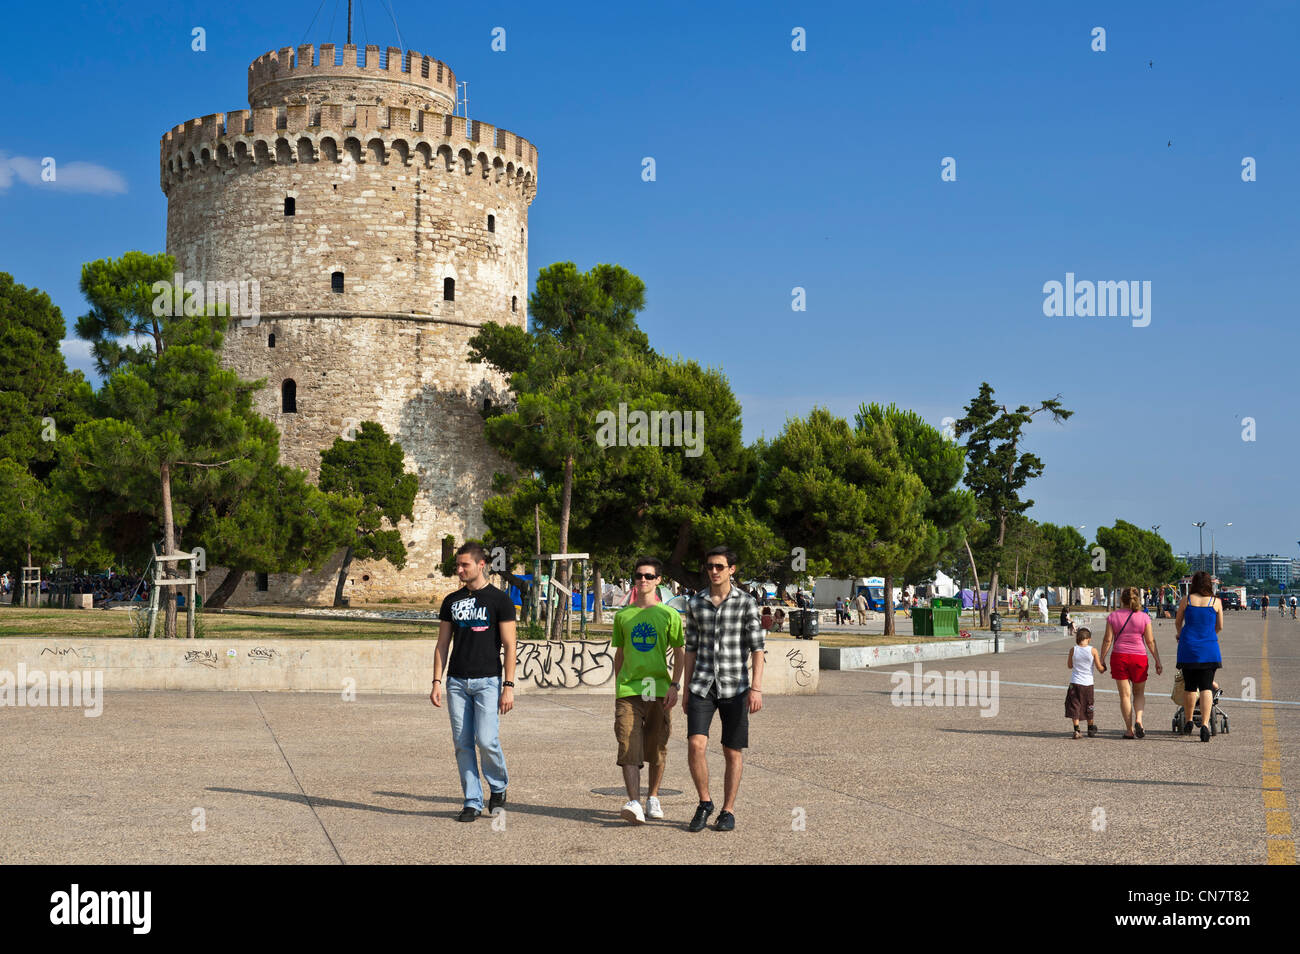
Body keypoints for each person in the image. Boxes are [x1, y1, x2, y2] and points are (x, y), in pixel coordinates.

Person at [430, 543, 518, 822]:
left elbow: (510, 645)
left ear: (481, 564)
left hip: (488, 682)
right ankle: (471, 800)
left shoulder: (499, 600)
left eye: (464, 565)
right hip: (456, 682)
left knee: (487, 740)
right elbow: (442, 644)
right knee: (462, 743)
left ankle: (499, 786)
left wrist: (509, 686)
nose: (459, 570)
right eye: (457, 565)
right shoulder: (451, 601)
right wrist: (436, 681)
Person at [682, 545, 764, 832]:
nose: (713, 571)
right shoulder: (695, 603)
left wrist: (756, 688)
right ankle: (705, 802)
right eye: (709, 566)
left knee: (732, 751)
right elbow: (690, 648)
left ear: (732, 569)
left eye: (719, 566)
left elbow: (757, 648)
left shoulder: (746, 603)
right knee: (696, 744)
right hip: (702, 685)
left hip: (736, 686)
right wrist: (685, 689)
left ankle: (727, 811)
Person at [611, 557, 685, 824]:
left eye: (649, 576)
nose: (643, 580)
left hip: (658, 690)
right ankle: (634, 801)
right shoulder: (623, 615)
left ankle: (653, 796)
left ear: (658, 580)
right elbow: (619, 653)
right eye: (639, 576)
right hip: (629, 691)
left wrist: (675, 685)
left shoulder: (669, 615)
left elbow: (680, 652)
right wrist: (619, 686)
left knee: (657, 746)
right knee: (627, 745)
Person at [1099, 586, 1163, 739]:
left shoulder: (1113, 616)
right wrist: (1157, 661)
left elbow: (1108, 640)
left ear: (1122, 599)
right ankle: (1139, 720)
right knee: (1139, 693)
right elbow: (1150, 641)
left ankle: (1129, 730)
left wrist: (1101, 659)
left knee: (1125, 696)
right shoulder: (1144, 617)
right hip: (1139, 657)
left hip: (1119, 657)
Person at [1175, 572, 1223, 742]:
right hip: (1209, 648)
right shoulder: (1216, 601)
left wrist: (1181, 634)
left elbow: (1178, 621)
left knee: (1189, 687)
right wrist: (1209, 634)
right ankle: (1204, 725)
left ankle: (1188, 720)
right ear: (1209, 584)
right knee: (1206, 687)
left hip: (1188, 649)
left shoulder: (1186, 600)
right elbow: (1220, 626)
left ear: (1194, 583)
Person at [1066, 627, 1105, 738]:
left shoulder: (1073, 650)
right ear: (1089, 639)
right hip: (1087, 684)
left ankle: (1077, 730)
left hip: (1075, 683)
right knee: (1089, 705)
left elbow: (1069, 666)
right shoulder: (1093, 650)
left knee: (1075, 706)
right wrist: (1104, 668)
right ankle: (1090, 728)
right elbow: (1099, 668)